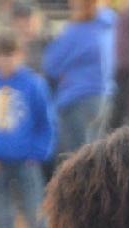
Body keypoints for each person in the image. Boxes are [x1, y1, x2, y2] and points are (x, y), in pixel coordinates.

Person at [0, 33, 61, 228]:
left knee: (36, 218)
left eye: (10, 55)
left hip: (27, 164)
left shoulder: (34, 84)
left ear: (20, 56)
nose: (6, 60)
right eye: (1, 55)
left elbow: (47, 125)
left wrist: (36, 156)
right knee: (4, 219)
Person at [42, 0, 117, 158]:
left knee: (76, 158)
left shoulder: (79, 29)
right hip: (104, 98)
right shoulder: (110, 25)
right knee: (97, 154)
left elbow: (51, 64)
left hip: (77, 99)